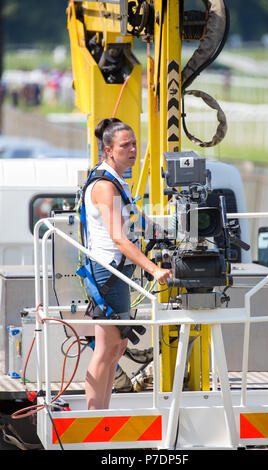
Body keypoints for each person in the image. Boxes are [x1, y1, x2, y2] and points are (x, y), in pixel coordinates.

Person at [84, 118, 172, 410]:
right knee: (107, 349)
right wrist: (154, 269)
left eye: (134, 144)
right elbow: (120, 239)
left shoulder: (117, 181)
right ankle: (95, 418)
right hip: (107, 272)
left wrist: (164, 233)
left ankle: (101, 411)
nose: (133, 149)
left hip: (117, 272)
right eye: (126, 146)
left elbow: (135, 218)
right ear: (108, 150)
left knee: (118, 346)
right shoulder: (104, 186)